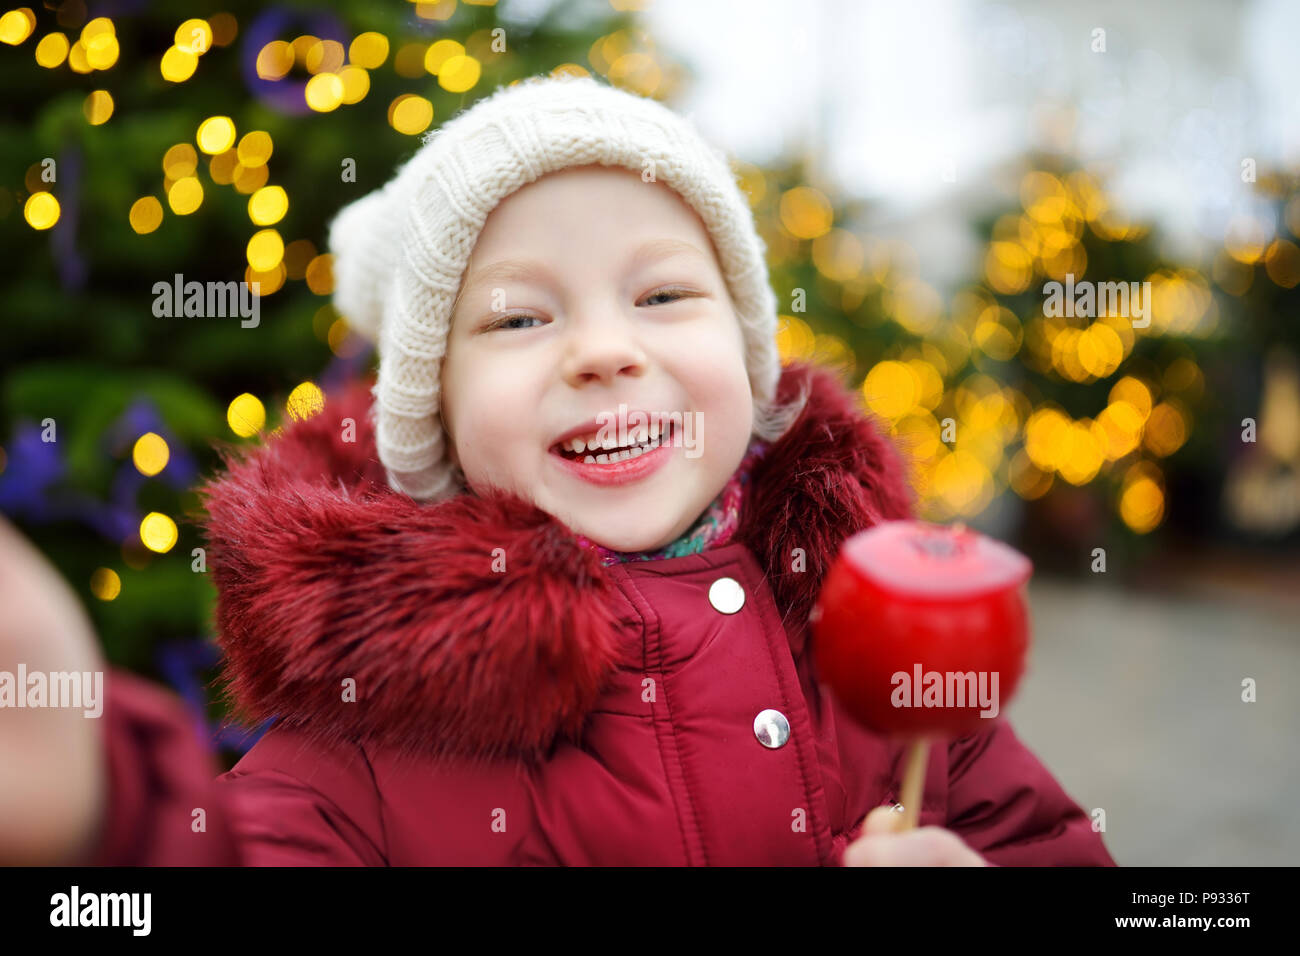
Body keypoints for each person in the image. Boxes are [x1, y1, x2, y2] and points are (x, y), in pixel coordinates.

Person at [0, 74, 1115, 866]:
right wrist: (107, 809)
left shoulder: (875, 648)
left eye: (664, 294)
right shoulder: (374, 720)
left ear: (746, 344)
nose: (601, 348)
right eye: (521, 315)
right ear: (432, 415)